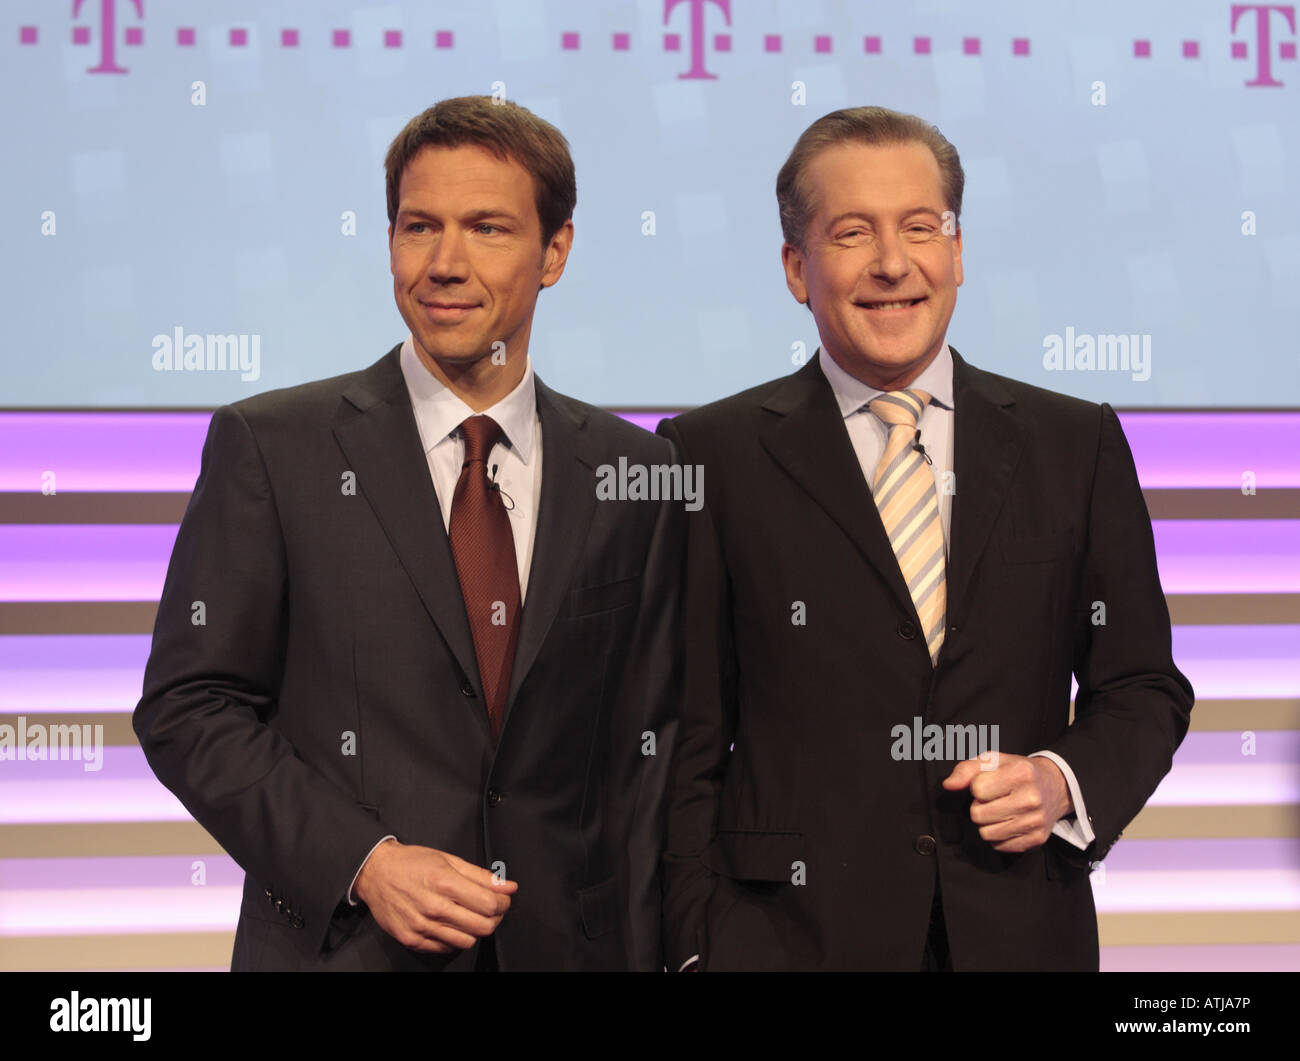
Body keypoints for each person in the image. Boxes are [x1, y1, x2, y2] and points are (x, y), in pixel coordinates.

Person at [135, 96, 682, 971]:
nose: (445, 262)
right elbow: (189, 708)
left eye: (488, 228)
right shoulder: (274, 448)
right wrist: (363, 862)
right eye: (418, 225)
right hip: (347, 950)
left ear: (556, 253)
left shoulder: (634, 473)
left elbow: (653, 753)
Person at [656, 106, 1193, 971]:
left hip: (1019, 933)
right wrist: (689, 947)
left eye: (921, 227)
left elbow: (1142, 686)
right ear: (797, 268)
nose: (893, 263)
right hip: (785, 942)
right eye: (853, 233)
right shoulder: (707, 455)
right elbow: (678, 736)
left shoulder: (1073, 444)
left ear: (958, 253)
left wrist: (1061, 779)